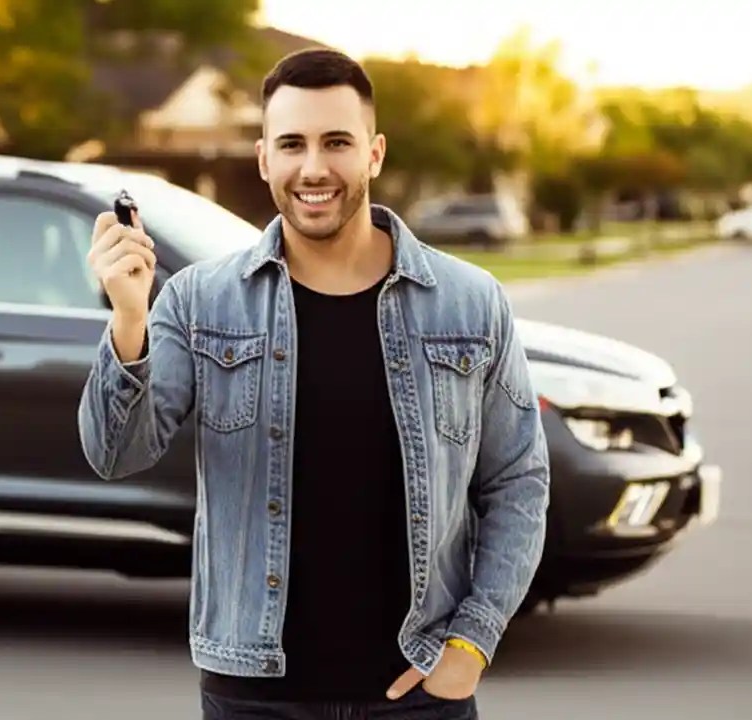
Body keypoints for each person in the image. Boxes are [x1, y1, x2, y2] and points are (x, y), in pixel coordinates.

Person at [78, 47, 549, 719]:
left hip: (417, 695)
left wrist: (471, 643)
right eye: (292, 144)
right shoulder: (199, 302)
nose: (314, 168)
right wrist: (129, 317)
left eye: (337, 143)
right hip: (255, 696)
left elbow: (518, 481)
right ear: (265, 158)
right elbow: (115, 454)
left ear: (375, 153)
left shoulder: (469, 304)